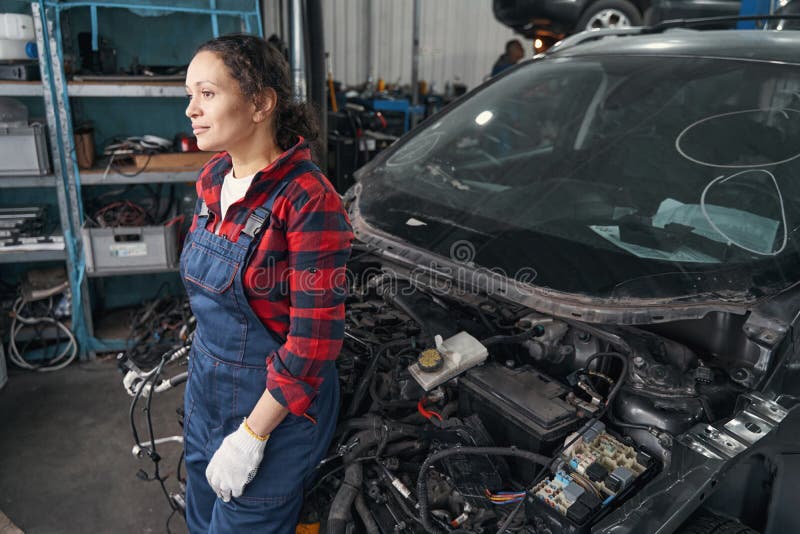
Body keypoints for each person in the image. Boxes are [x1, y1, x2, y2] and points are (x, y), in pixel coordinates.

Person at [181, 33, 354, 533]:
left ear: (260, 103)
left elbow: (313, 343)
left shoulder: (307, 200)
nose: (191, 110)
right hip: (205, 397)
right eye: (189, 95)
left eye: (207, 94)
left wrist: (250, 437)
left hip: (273, 414)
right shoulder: (213, 179)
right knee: (200, 519)